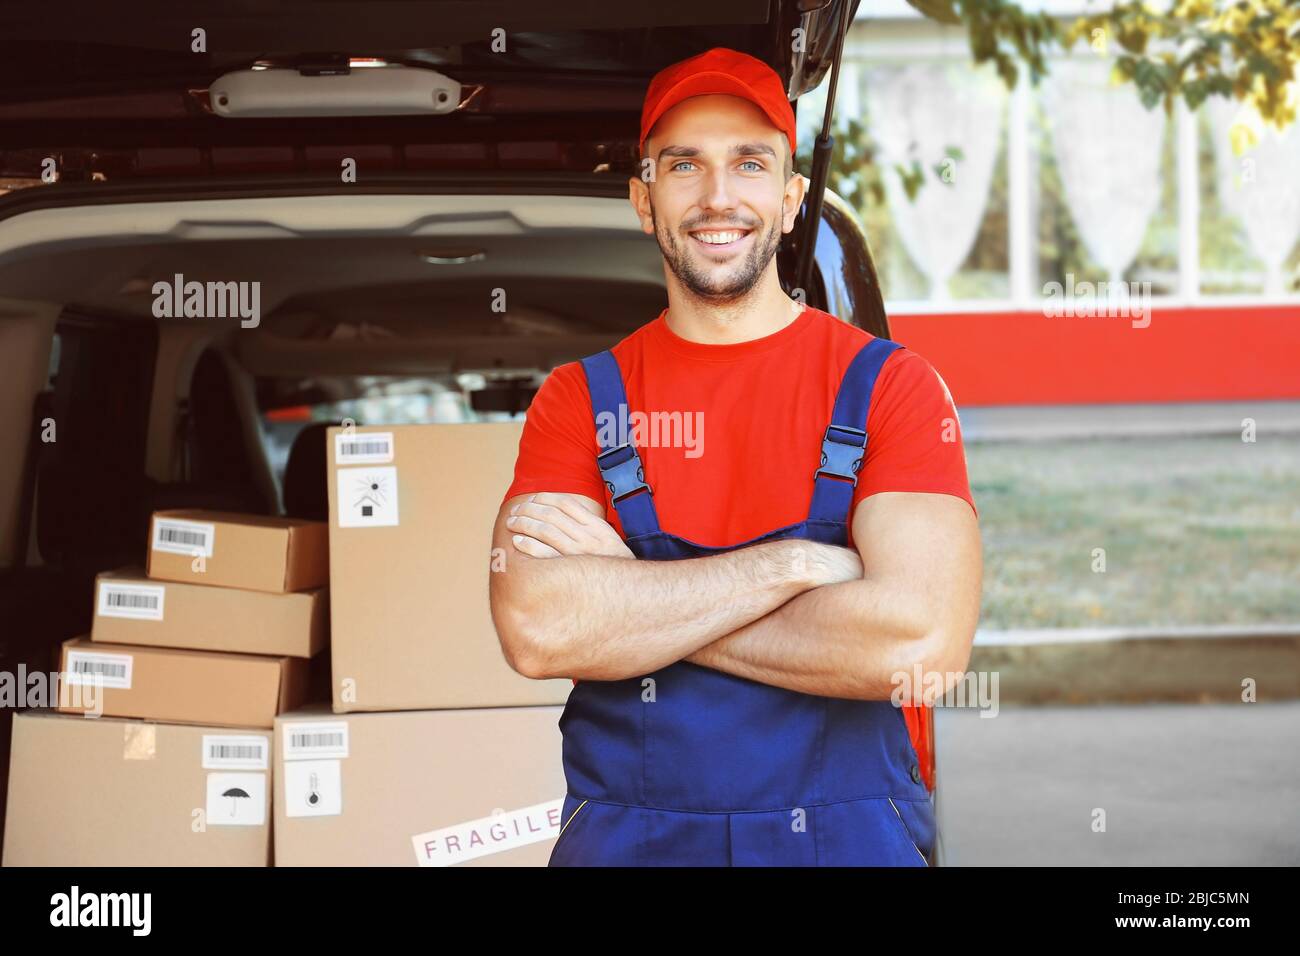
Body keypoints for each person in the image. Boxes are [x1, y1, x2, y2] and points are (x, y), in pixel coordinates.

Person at [489, 47, 982, 866]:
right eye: (685, 165)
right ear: (644, 202)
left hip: (847, 839)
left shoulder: (892, 388)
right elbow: (540, 630)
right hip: (632, 840)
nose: (719, 197)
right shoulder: (579, 399)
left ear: (790, 200)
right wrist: (789, 566)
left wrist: (631, 600)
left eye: (750, 164)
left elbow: (918, 647)